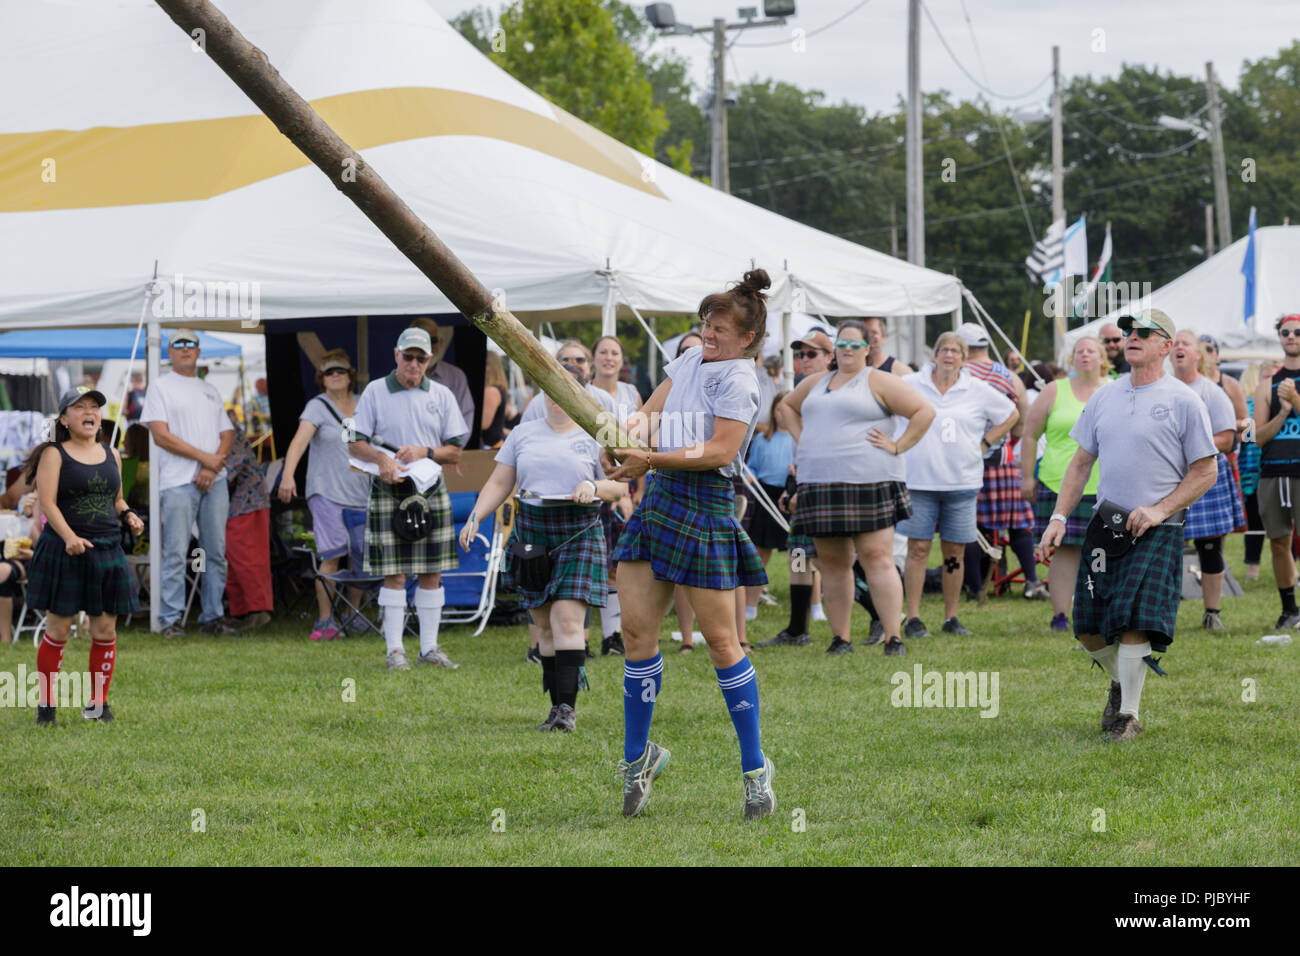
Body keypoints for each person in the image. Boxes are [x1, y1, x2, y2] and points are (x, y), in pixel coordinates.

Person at [605, 269, 775, 820]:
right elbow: (651, 410)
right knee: (635, 634)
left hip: (704, 503)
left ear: (747, 337)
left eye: (721, 327)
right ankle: (639, 758)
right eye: (706, 323)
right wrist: (626, 432)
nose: (710, 333)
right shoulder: (689, 361)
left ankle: (756, 772)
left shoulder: (741, 380)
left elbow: (720, 452)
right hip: (659, 501)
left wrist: (647, 459)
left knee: (722, 645)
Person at [1040, 309, 1217, 743]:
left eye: (1143, 332)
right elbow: (1081, 462)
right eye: (1126, 331)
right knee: (1087, 626)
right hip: (1107, 524)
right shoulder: (1104, 396)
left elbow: (1205, 470)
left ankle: (1129, 717)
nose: (1131, 337)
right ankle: (1121, 681)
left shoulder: (1184, 400)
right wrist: (1059, 518)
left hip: (1157, 526)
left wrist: (1159, 509)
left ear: (1166, 346)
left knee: (1134, 618)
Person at [460, 361, 628, 731]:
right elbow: (500, 482)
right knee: (546, 627)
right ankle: (556, 708)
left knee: (566, 619)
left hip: (578, 529)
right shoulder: (524, 433)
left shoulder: (596, 435)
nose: (555, 397)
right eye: (549, 388)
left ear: (579, 395)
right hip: (532, 530)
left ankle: (567, 710)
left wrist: (595, 487)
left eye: (564, 389)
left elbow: (621, 486)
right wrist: (476, 516)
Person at [780, 320, 935, 656]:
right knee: (832, 562)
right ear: (834, 349)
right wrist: (803, 437)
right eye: (842, 344)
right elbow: (785, 407)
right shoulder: (815, 383)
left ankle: (893, 636)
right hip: (819, 483)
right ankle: (841, 638)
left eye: (854, 345)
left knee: (876, 557)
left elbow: (924, 411)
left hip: (871, 481)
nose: (847, 350)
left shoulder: (878, 380)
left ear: (867, 349)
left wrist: (898, 445)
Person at [348, 327, 468, 670]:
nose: (414, 363)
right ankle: (394, 651)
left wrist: (425, 451)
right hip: (389, 488)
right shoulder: (374, 391)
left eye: (421, 358)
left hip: (429, 489)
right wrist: (382, 460)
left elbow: (455, 450)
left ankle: (429, 648)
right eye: (408, 356)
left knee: (432, 572)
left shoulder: (442, 395)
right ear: (396, 355)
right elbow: (355, 442)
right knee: (394, 573)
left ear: (429, 360)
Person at [25, 387, 144, 724]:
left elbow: (116, 499)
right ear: (64, 418)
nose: (90, 413)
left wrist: (129, 516)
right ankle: (46, 708)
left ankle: (97, 705)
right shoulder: (54, 454)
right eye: (80, 407)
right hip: (66, 549)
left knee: (105, 630)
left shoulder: (112, 455)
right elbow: (47, 502)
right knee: (59, 629)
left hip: (107, 548)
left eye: (94, 407)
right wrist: (69, 537)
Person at [897, 332, 1019, 637]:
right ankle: (912, 617)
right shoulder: (911, 384)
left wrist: (986, 443)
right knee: (918, 549)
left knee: (954, 552)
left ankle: (951, 617)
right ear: (934, 354)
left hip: (962, 481)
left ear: (964, 358)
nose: (949, 355)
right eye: (944, 349)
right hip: (919, 480)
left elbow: (1010, 414)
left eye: (955, 351)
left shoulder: (977, 389)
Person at [140, 328, 241, 638]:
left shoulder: (209, 389)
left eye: (191, 344)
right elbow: (161, 435)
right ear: (169, 352)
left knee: (215, 552)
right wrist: (206, 459)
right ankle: (170, 618)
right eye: (178, 344)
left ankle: (213, 616)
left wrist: (212, 467)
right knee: (176, 551)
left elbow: (227, 434)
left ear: (199, 352)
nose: (185, 349)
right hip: (176, 481)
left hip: (214, 480)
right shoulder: (160, 387)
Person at [277, 349, 372, 640]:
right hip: (326, 491)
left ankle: (352, 614)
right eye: (329, 372)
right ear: (321, 378)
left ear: (349, 375)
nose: (335, 376)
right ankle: (325, 620)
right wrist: (288, 475)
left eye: (340, 371)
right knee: (331, 555)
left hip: (361, 492)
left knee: (361, 557)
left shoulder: (363, 404)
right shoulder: (316, 406)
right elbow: (298, 443)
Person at [1020, 336, 1108, 631]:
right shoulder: (1054, 390)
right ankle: (1060, 615)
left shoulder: (1115, 389)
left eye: (1091, 351)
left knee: (1102, 551)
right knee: (1065, 550)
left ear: (1102, 358)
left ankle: (1099, 611)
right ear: (1072, 358)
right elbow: (1030, 435)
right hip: (1057, 481)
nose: (1084, 355)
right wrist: (1027, 476)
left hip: (1104, 484)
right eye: (1079, 351)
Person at [956, 323, 1044, 603]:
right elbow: (1023, 422)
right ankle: (1031, 580)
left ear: (963, 347)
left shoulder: (958, 374)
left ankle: (974, 587)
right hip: (1002, 460)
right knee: (1018, 524)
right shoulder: (1009, 376)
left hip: (964, 459)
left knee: (971, 525)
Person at [764, 328, 835, 644]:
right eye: (800, 354)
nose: (803, 359)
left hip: (830, 483)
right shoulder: (800, 392)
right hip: (802, 481)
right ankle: (797, 628)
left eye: (811, 353)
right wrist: (792, 488)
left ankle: (880, 617)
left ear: (829, 357)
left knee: (831, 561)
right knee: (798, 556)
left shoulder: (835, 391)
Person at [1171, 330, 1242, 629]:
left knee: (1210, 546)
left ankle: (1211, 613)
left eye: (1185, 343)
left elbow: (1227, 439)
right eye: (1174, 343)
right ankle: (1162, 612)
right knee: (1166, 546)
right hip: (1168, 476)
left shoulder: (1211, 391)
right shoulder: (1162, 390)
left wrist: (1192, 447)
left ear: (1199, 355)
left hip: (1205, 474)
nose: (1179, 348)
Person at [590, 335, 642, 656]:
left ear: (622, 360)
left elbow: (640, 446)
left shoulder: (631, 394)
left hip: (626, 483)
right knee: (594, 560)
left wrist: (637, 493)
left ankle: (612, 636)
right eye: (603, 352)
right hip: (591, 480)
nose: (609, 357)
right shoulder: (585, 393)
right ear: (594, 358)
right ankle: (581, 635)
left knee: (616, 562)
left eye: (615, 352)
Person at [1252, 314, 1300, 629]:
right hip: (1273, 473)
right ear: (1279, 337)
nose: (1292, 336)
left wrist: (1295, 399)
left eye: (1298, 332)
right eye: (1286, 332)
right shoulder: (1268, 384)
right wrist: (1283, 411)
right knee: (1279, 542)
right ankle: (1289, 610)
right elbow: (1258, 437)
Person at [742, 390, 794, 621]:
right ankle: (750, 605)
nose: (783, 413)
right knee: (760, 553)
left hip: (792, 496)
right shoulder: (763, 440)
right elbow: (751, 466)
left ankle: (810, 604)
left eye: (788, 408)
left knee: (800, 555)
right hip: (765, 496)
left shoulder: (799, 439)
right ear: (773, 411)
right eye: (779, 408)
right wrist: (751, 475)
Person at [223, 415, 274, 629]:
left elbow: (230, 470)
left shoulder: (228, 432)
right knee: (234, 559)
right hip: (238, 504)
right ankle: (240, 610)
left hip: (248, 503)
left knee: (248, 558)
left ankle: (258, 611)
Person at [408, 318, 475, 433]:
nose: (428, 345)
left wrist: (449, 449)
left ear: (441, 343)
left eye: (433, 340)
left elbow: (465, 418)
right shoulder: (399, 377)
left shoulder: (455, 376)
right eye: (423, 340)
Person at [1238, 361, 1270, 580]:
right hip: (1253, 472)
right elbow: (1246, 441)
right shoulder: (1248, 407)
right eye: (1265, 377)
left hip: (1276, 469)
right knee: (1255, 520)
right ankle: (1253, 567)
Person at [480, 352, 511, 448]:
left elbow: (483, 424)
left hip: (491, 446)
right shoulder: (498, 389)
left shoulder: (491, 391)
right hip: (495, 445)